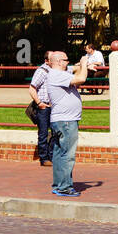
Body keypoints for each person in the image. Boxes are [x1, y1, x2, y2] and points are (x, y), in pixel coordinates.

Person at [44, 51, 89, 197]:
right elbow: (82, 78)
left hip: (61, 120)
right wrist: (83, 64)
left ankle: (59, 184)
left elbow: (74, 70)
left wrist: (85, 65)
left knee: (58, 154)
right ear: (58, 62)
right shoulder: (58, 75)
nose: (67, 63)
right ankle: (64, 187)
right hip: (66, 121)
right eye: (66, 60)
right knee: (67, 154)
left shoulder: (57, 73)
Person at [27, 51, 54, 165]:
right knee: (43, 132)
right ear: (46, 61)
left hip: (53, 106)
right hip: (43, 106)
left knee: (55, 132)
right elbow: (32, 88)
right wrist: (39, 103)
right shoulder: (42, 72)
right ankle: (44, 158)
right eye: (52, 59)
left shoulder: (55, 71)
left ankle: (52, 156)